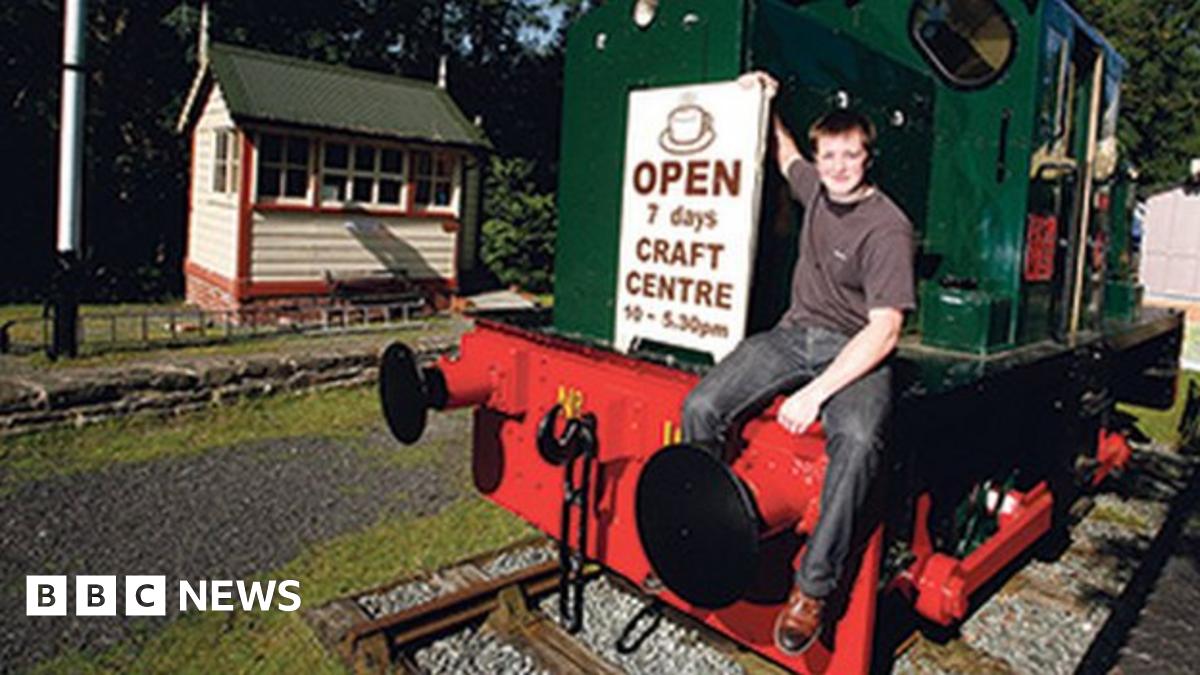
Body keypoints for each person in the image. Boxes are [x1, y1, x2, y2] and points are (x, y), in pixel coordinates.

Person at [681, 71, 915, 655]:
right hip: (793, 336)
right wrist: (767, 100)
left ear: (868, 158)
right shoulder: (814, 187)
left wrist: (815, 395)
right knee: (702, 405)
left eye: (849, 155)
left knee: (859, 442)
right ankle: (707, 524)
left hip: (855, 348)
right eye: (828, 155)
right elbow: (783, 155)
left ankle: (813, 588)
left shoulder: (888, 227)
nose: (837, 166)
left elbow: (886, 330)